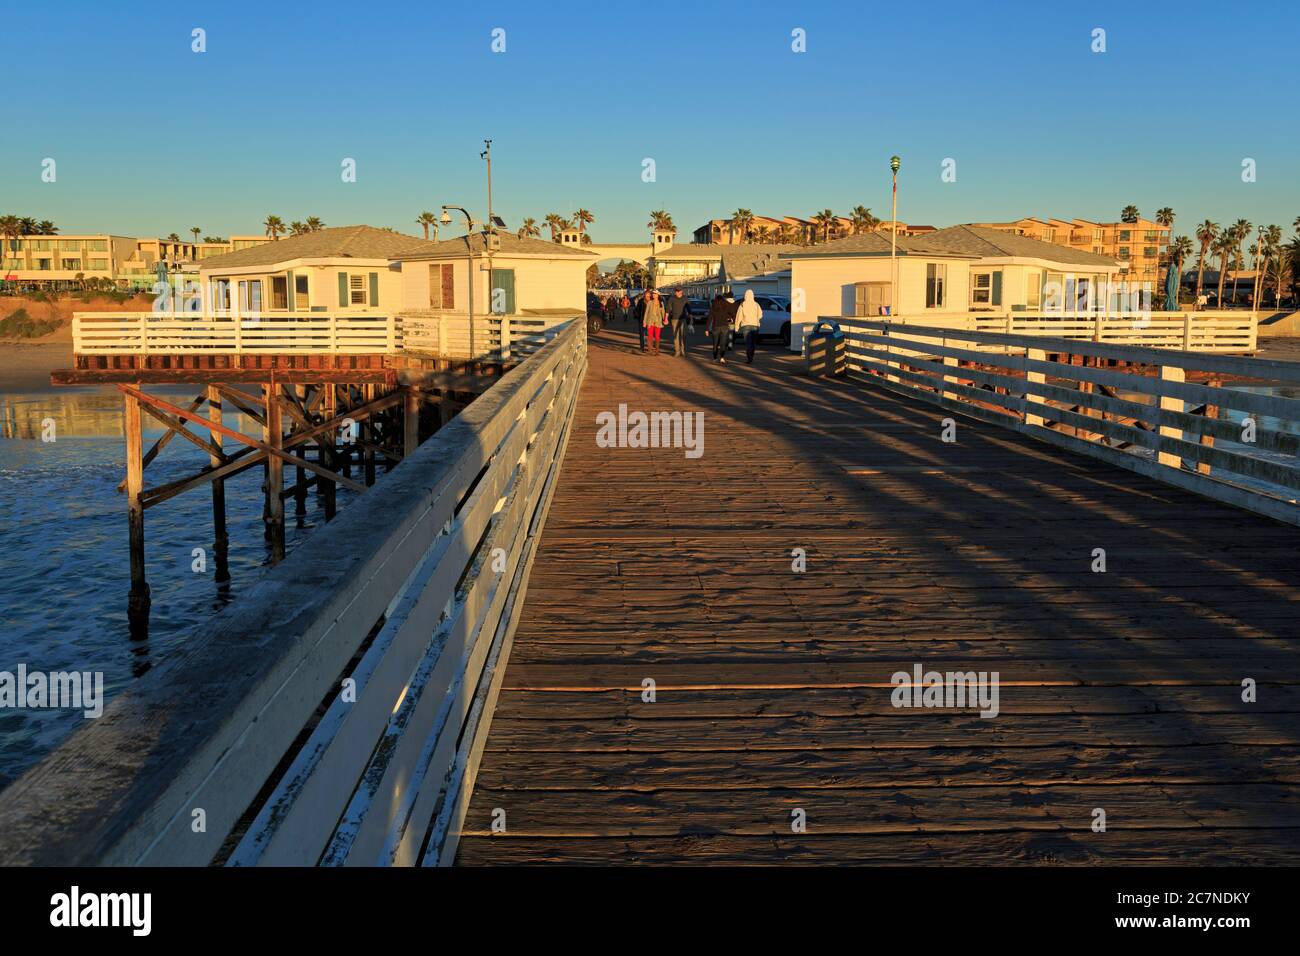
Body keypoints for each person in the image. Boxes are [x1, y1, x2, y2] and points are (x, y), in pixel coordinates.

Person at [735, 289, 763, 364]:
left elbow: (739, 316)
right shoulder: (756, 304)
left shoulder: (742, 304)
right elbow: (760, 315)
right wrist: (756, 318)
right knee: (753, 343)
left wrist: (737, 326)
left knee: (748, 343)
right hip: (755, 325)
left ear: (745, 295)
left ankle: (749, 358)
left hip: (745, 326)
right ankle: (752, 355)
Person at [707, 293, 734, 363]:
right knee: (723, 343)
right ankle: (722, 358)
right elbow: (731, 315)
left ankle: (715, 358)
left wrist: (707, 329)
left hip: (715, 327)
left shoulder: (713, 306)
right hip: (724, 326)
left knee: (715, 344)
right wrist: (729, 320)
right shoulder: (726, 306)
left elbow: (710, 318)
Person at [666, 287, 690, 357]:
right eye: (676, 291)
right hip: (674, 319)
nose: (677, 292)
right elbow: (668, 308)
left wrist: (691, 316)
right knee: (675, 336)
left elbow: (688, 308)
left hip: (683, 319)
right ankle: (677, 351)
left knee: (683, 335)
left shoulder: (685, 298)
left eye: (678, 291)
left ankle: (683, 350)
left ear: (681, 291)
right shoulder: (672, 298)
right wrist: (666, 318)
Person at [642, 290, 666, 354]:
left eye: (655, 294)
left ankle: (657, 350)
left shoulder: (661, 303)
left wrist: (665, 319)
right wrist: (644, 322)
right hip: (650, 321)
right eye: (653, 294)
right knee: (650, 335)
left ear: (658, 295)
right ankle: (650, 350)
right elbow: (646, 312)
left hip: (658, 321)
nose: (653, 295)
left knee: (657, 336)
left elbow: (663, 312)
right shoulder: (650, 302)